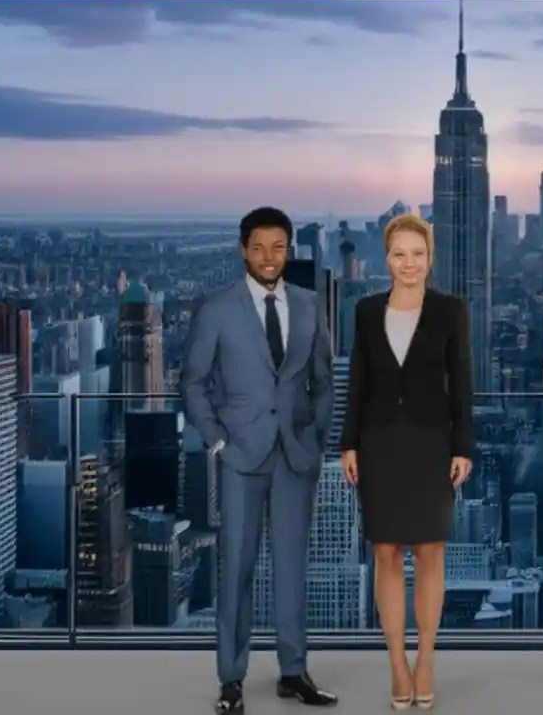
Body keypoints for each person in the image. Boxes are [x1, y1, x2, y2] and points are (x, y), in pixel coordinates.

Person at [181, 206, 339, 713]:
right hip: (241, 455)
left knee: (293, 570)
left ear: (289, 249)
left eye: (278, 247)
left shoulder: (312, 304)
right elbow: (192, 382)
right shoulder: (217, 308)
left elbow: (323, 381)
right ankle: (231, 679)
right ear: (243, 250)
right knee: (238, 571)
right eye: (258, 247)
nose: (269, 258)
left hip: (295, 456)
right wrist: (216, 440)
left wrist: (314, 437)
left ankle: (293, 672)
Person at [339, 213, 474, 711]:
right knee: (386, 554)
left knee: (431, 552)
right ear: (387, 257)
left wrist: (464, 446)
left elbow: (462, 382)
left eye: (418, 254)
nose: (409, 263)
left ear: (430, 258)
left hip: (432, 444)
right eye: (400, 254)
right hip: (379, 444)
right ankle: (397, 663)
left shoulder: (450, 310)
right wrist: (348, 442)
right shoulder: (366, 310)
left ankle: (427, 659)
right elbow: (357, 381)